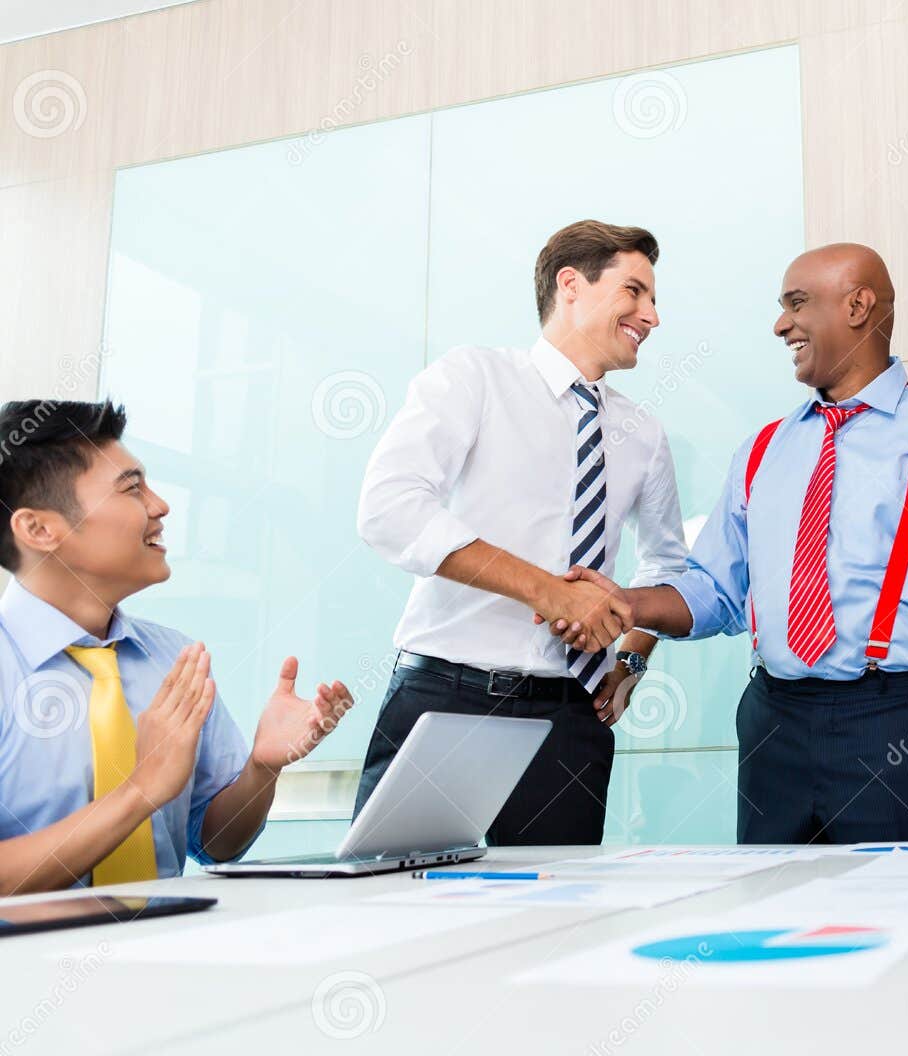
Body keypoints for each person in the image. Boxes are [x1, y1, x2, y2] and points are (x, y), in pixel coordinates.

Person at [548, 243, 908, 843]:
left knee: (906, 918)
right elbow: (713, 593)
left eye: (796, 304)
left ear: (858, 306)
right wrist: (624, 601)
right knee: (773, 916)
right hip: (773, 726)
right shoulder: (762, 451)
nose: (781, 325)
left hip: (898, 725)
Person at [354, 219, 689, 845]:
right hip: (449, 699)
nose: (652, 316)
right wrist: (547, 591)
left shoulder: (643, 433)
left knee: (556, 928)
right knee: (398, 912)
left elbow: (666, 566)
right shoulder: (474, 377)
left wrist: (629, 666)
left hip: (571, 718)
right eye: (635, 292)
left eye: (653, 299)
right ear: (571, 284)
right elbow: (390, 507)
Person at [0, 399, 352, 895]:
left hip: (168, 954)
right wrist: (139, 791)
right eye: (131, 489)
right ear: (39, 529)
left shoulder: (174, 658)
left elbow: (218, 843)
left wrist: (261, 769)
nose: (160, 506)